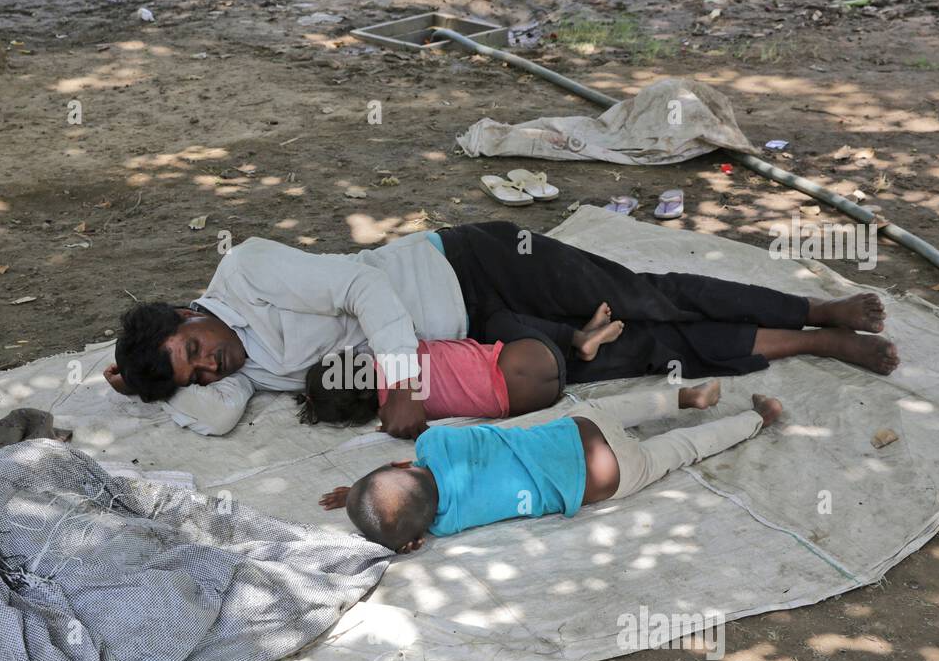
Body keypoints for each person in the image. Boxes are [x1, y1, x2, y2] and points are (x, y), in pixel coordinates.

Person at [107, 221, 895, 439]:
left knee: (640, 295)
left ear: (189, 313)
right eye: (196, 374)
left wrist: (408, 390)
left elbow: (362, 285)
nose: (212, 369)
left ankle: (811, 309)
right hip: (478, 346)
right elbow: (211, 415)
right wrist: (137, 383)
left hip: (473, 267)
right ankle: (816, 345)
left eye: (194, 352)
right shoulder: (223, 373)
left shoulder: (245, 272)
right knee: (637, 352)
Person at [319, 381, 780, 552]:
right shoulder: (435, 440)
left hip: (605, 479)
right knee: (622, 408)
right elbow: (400, 477)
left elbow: (404, 514)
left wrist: (388, 521)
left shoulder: (448, 524)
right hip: (581, 429)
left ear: (417, 540)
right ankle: (686, 395)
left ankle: (759, 418)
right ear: (401, 461)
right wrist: (363, 488)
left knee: (681, 449)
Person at [296, 304, 624, 426]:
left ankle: (583, 346)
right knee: (496, 317)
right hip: (530, 356)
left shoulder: (394, 414)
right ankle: (578, 337)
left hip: (528, 399)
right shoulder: (397, 355)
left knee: (528, 365)